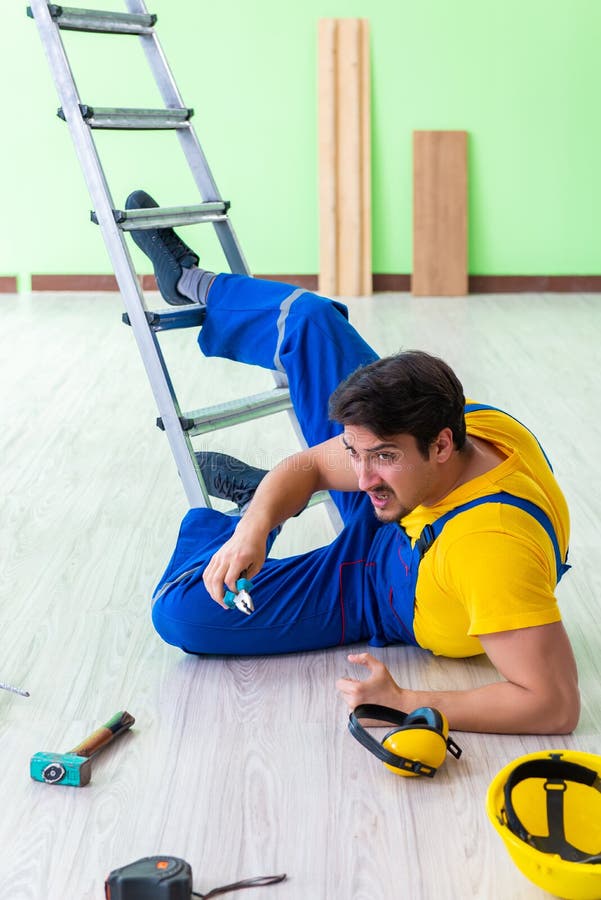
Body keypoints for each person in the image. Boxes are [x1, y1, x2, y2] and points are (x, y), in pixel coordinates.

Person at [127, 190, 580, 736]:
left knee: (181, 613)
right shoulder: (466, 426)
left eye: (382, 457)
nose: (360, 480)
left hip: (383, 585)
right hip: (410, 515)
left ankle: (231, 519)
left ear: (440, 443)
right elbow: (313, 467)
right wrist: (256, 529)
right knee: (313, 320)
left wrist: (407, 699)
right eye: (358, 453)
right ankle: (193, 285)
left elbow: (554, 705)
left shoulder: (490, 550)